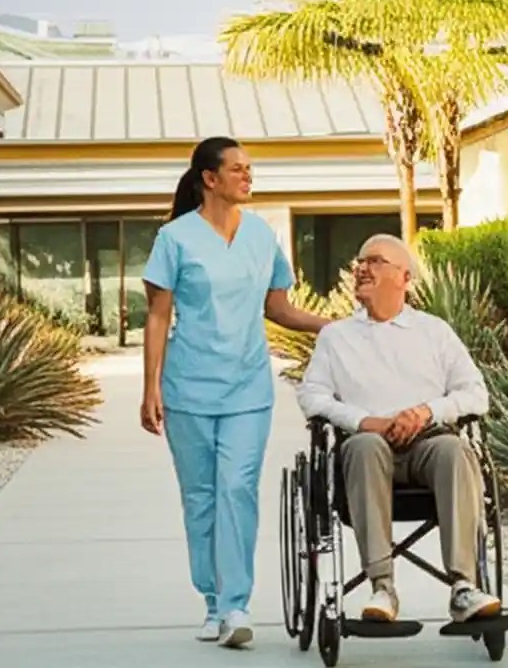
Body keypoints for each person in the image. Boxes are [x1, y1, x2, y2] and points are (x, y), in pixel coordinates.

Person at [141, 136, 329, 648]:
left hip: (248, 387)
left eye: (250, 169)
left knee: (238, 491)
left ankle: (237, 604)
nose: (249, 177)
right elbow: (158, 316)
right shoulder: (174, 239)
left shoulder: (263, 237)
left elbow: (279, 309)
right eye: (238, 170)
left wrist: (328, 325)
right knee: (200, 498)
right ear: (209, 178)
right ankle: (211, 601)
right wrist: (150, 389)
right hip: (188, 389)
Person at [294, 233, 498, 625]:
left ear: (404, 277)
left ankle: (463, 587)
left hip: (428, 444)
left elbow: (475, 394)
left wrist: (425, 411)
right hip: (365, 446)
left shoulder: (434, 331)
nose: (361, 268)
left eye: (374, 261)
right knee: (367, 447)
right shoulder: (336, 337)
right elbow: (312, 396)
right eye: (359, 262)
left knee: (456, 451)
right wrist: (363, 420)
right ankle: (382, 587)